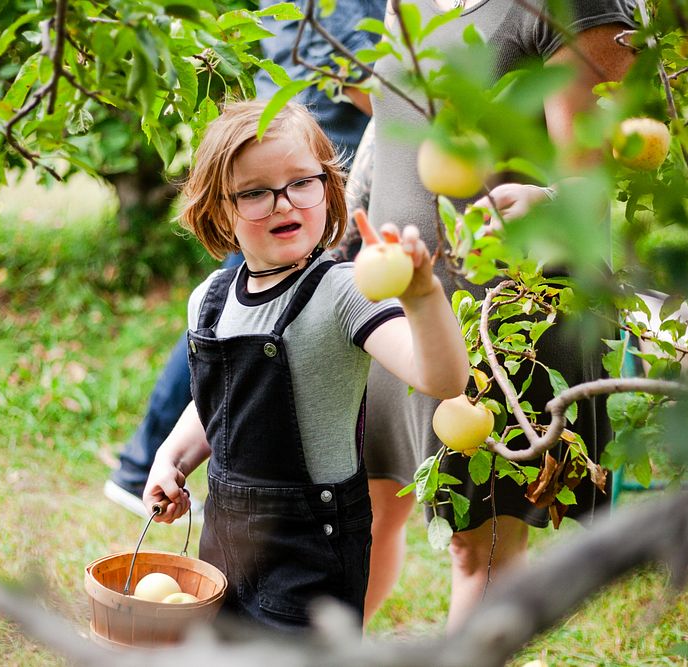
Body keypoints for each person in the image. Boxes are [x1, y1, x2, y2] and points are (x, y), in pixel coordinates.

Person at [359, 0, 638, 630]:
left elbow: (595, 171)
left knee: (478, 544)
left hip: (505, 309)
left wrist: (547, 200)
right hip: (392, 307)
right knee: (370, 505)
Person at [141, 100, 469, 630]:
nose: (282, 203)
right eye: (254, 192)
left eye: (302, 182)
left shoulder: (345, 292)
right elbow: (221, 405)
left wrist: (424, 295)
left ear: (329, 186)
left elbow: (445, 379)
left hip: (311, 548)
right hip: (226, 537)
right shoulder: (210, 299)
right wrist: (172, 458)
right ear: (219, 210)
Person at [104, 0, 384, 516]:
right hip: (293, 155)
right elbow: (358, 78)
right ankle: (146, 461)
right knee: (233, 324)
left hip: (290, 170)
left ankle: (145, 462)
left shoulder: (346, 291)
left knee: (251, 325)